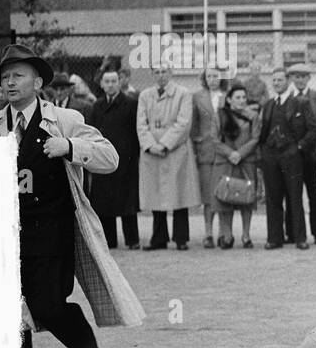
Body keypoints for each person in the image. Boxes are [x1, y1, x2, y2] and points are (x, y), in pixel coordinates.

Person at [0, 44, 144, 348]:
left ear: (37, 82)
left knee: (49, 307)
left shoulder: (65, 120)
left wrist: (70, 146)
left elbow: (110, 157)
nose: (9, 82)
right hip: (7, 235)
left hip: (53, 231)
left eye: (17, 75)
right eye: (5, 77)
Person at [136, 63, 200, 250]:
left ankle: (181, 238)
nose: (161, 75)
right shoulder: (145, 95)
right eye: (157, 72)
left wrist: (165, 144)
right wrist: (150, 145)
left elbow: (183, 123)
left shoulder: (183, 93)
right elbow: (141, 124)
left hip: (175, 149)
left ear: (171, 73)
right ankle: (158, 238)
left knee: (179, 193)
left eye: (164, 71)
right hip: (152, 151)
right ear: (152, 74)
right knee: (156, 194)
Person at [259, 68, 316, 251]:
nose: (277, 83)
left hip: (292, 158)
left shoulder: (301, 103)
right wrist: (264, 153)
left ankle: (300, 238)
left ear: (288, 81)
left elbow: (313, 129)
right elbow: (263, 132)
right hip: (271, 157)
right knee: (273, 198)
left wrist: (299, 147)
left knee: (295, 197)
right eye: (274, 80)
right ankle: (274, 238)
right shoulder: (268, 105)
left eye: (280, 80)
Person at [86, 69, 141, 250]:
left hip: (127, 160)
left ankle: (132, 240)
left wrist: (134, 157)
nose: (110, 84)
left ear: (120, 83)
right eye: (107, 81)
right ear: (101, 84)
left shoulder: (131, 104)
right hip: (104, 159)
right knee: (104, 202)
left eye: (113, 81)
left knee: (128, 202)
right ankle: (109, 241)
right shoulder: (97, 106)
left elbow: (136, 133)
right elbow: (91, 132)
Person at [211, 82, 260, 248]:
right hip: (225, 161)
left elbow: (255, 138)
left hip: (245, 161)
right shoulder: (219, 115)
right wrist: (230, 153)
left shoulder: (253, 116)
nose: (241, 100)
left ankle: (246, 235)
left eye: (244, 97)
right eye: (237, 97)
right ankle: (227, 235)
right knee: (225, 198)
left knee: (246, 197)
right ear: (229, 99)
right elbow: (214, 139)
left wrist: (240, 153)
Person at [287, 63, 316, 245]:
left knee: (315, 194)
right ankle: (292, 232)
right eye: (296, 76)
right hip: (292, 154)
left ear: (309, 78)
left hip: (311, 154)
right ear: (291, 79)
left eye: (303, 76)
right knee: (292, 195)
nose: (300, 80)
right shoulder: (286, 99)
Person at [191, 66, 225, 248]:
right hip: (205, 150)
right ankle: (208, 232)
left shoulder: (227, 96)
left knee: (222, 192)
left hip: (224, 151)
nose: (212, 79)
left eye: (216, 76)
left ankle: (223, 232)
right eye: (209, 76)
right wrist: (197, 143)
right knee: (207, 194)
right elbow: (193, 125)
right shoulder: (197, 97)